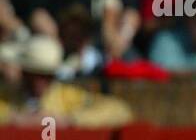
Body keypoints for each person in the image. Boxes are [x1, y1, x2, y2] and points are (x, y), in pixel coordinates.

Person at [0, 35, 134, 127]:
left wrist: (69, 120)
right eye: (36, 74)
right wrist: (13, 119)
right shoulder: (6, 97)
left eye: (48, 75)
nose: (41, 81)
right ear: (25, 73)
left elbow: (120, 110)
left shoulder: (66, 97)